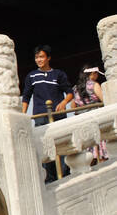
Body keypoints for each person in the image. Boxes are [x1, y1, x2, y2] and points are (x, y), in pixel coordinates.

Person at [21, 46, 72, 184]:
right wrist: (22, 116)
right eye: (37, 57)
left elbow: (69, 92)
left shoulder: (58, 74)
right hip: (40, 116)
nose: (39, 60)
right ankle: (49, 179)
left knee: (60, 144)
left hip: (58, 116)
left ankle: (64, 175)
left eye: (42, 57)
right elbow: (26, 97)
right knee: (45, 147)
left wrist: (63, 103)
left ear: (48, 58)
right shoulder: (32, 76)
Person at [70, 66, 109, 165]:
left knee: (89, 144)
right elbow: (104, 99)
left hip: (83, 120)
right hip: (96, 118)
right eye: (96, 73)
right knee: (99, 143)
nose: (97, 76)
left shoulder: (75, 88)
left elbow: (73, 107)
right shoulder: (94, 85)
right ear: (92, 73)